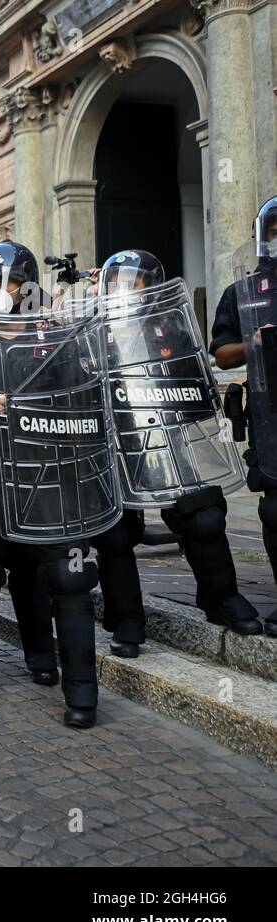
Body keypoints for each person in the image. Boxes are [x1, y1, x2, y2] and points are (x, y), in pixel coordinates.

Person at [0, 240, 102, 728]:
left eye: (11, 284)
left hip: (50, 469)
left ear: (26, 286)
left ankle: (76, 686)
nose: (3, 292)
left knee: (67, 577)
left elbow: (85, 398)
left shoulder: (58, 337)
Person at [92, 250, 261, 656]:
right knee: (115, 532)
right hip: (113, 443)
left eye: (135, 283)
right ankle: (127, 618)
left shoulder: (171, 326)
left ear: (151, 287)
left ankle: (221, 598)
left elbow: (197, 382)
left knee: (203, 515)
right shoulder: (92, 328)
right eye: (118, 283)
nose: (126, 290)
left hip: (171, 437)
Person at [211, 195, 277, 637]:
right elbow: (221, 352)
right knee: (275, 511)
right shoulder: (245, 292)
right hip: (270, 414)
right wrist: (257, 341)